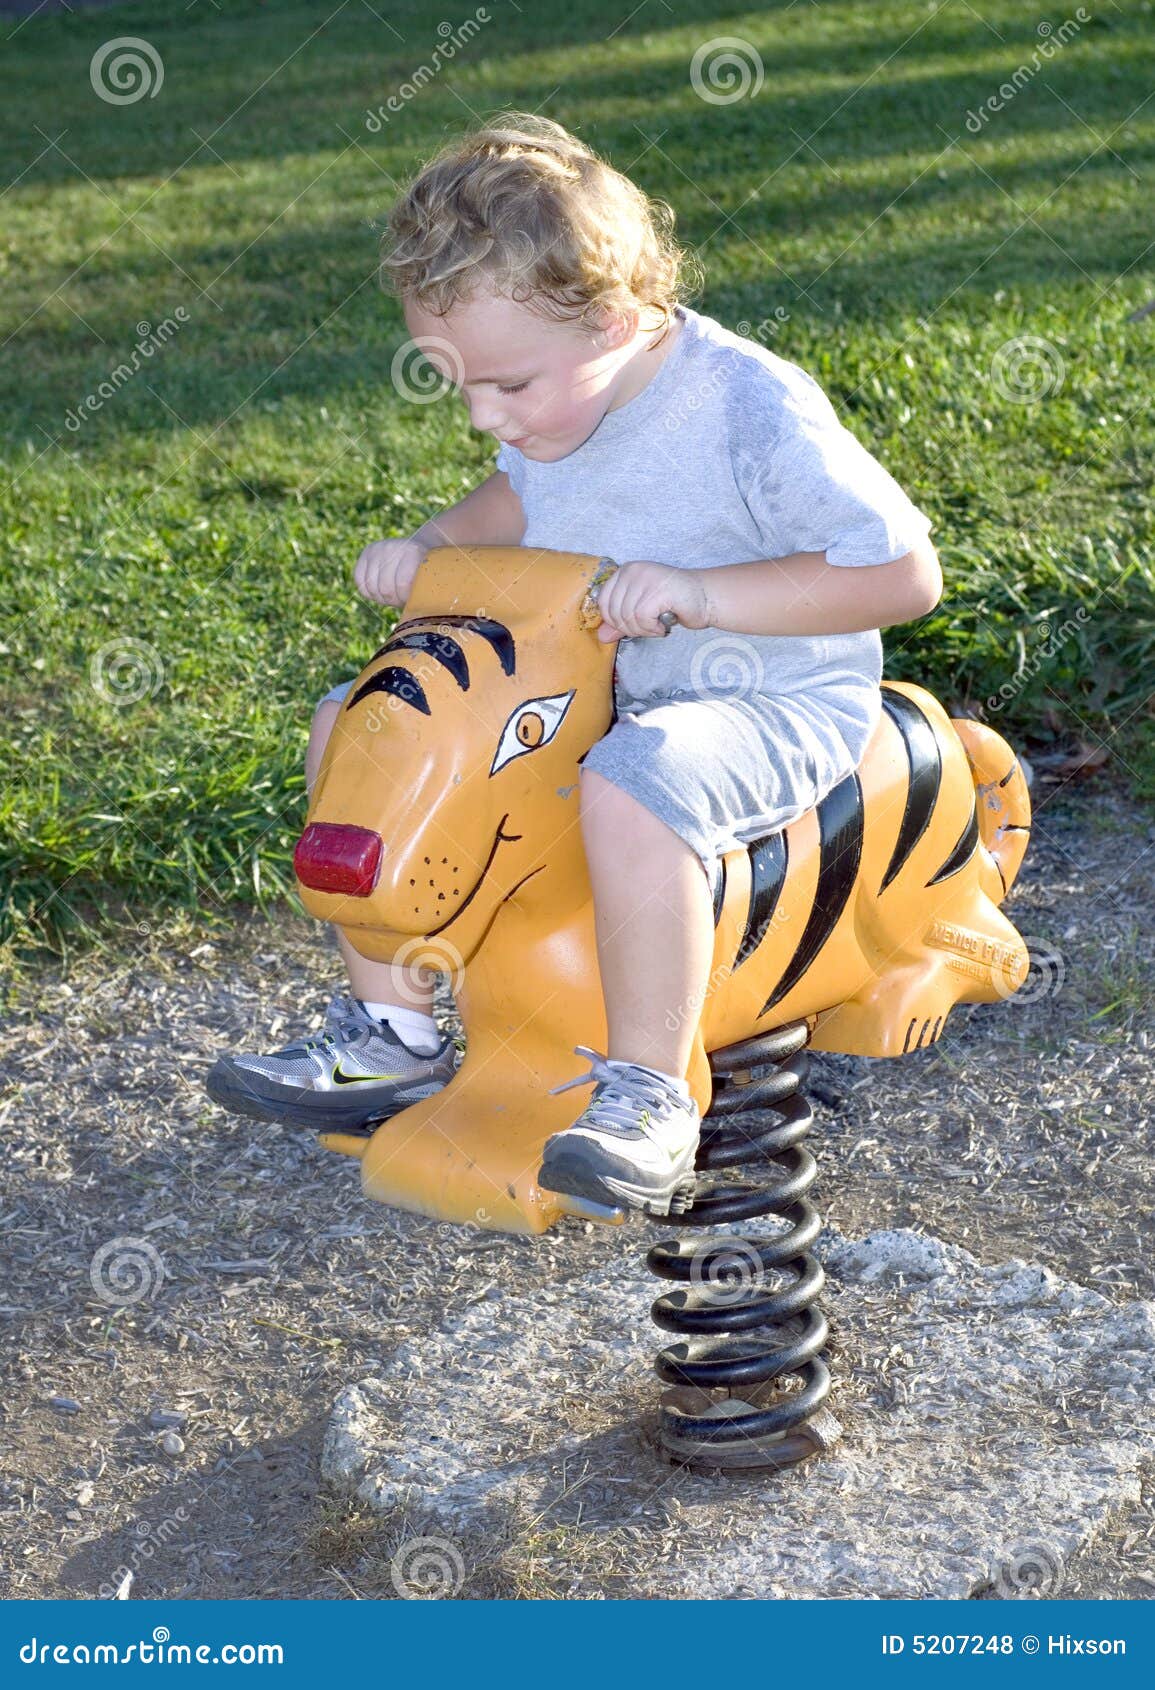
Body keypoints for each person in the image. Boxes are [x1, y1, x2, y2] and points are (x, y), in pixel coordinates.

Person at [206, 109, 942, 1219]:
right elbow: (522, 496)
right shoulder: (558, 396)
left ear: (611, 316)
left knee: (637, 783)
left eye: (505, 387)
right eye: (456, 382)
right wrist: (439, 546)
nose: (479, 412)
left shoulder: (748, 408)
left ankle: (650, 1092)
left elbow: (900, 572)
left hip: (770, 694)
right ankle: (391, 1034)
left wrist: (705, 595)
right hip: (606, 688)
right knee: (348, 725)